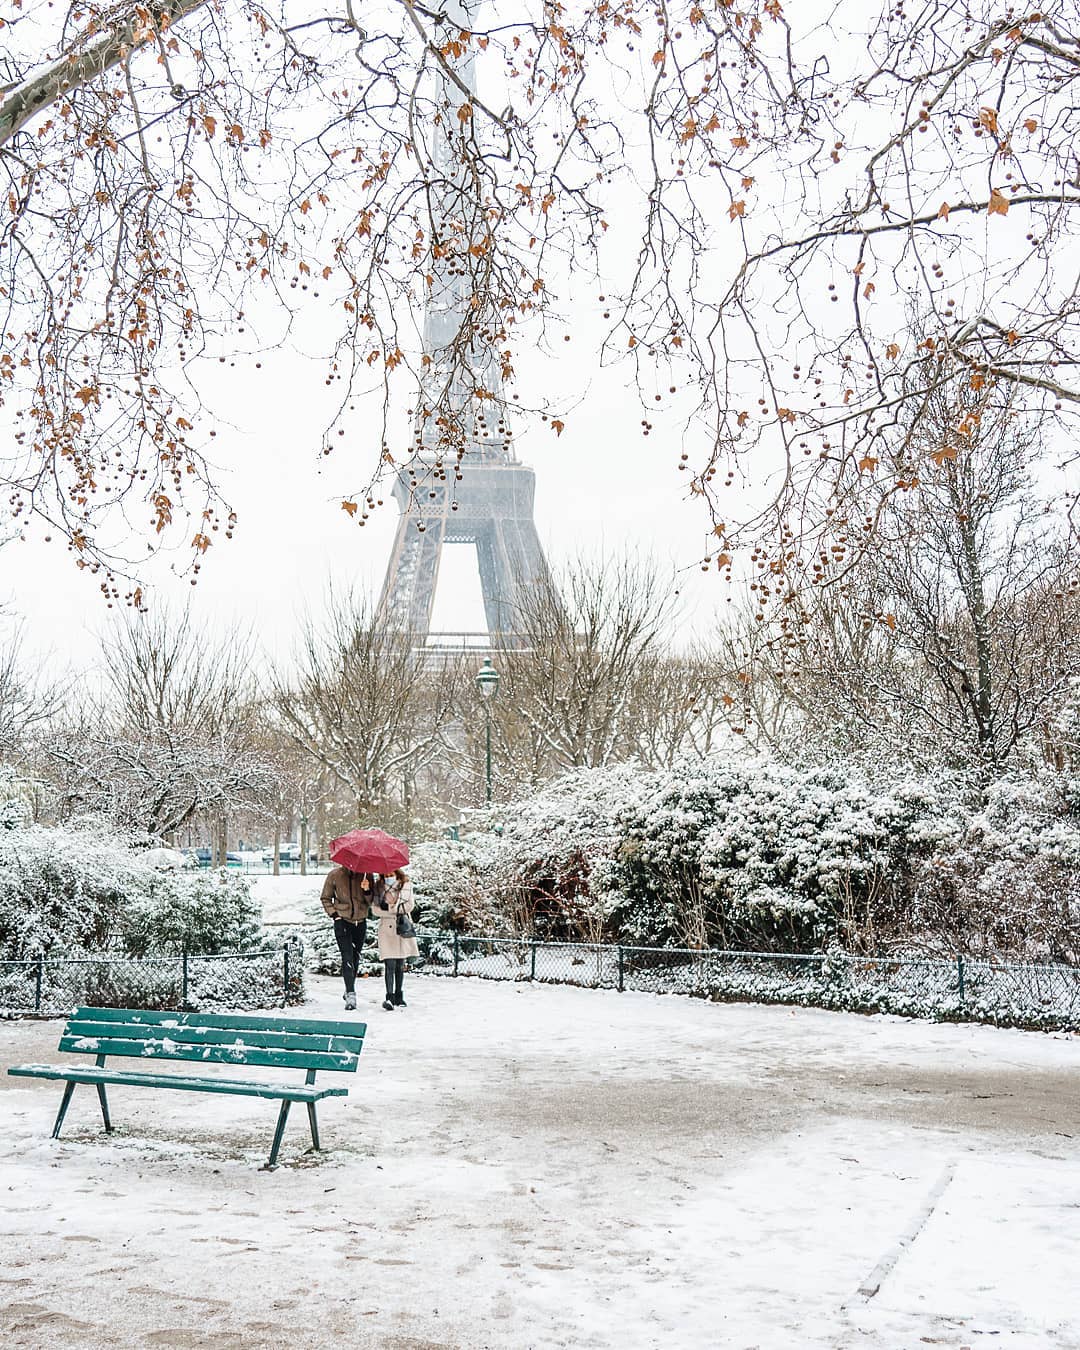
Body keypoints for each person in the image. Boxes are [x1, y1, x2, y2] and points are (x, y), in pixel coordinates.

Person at [321, 866, 383, 1010]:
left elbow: (371, 901)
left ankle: (349, 988)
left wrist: (366, 890)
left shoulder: (367, 874)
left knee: (355, 957)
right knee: (347, 956)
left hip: (360, 922)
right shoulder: (335, 875)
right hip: (342, 921)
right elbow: (325, 897)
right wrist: (334, 915)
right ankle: (351, 994)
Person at [374, 867, 419, 1010]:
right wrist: (395, 909)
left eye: (391, 874)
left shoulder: (406, 887)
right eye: (386, 874)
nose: (389, 877)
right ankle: (389, 996)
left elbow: (409, 906)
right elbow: (375, 910)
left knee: (400, 964)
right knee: (389, 965)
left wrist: (389, 909)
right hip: (386, 931)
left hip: (401, 928)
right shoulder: (378, 889)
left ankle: (399, 996)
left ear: (397, 873)